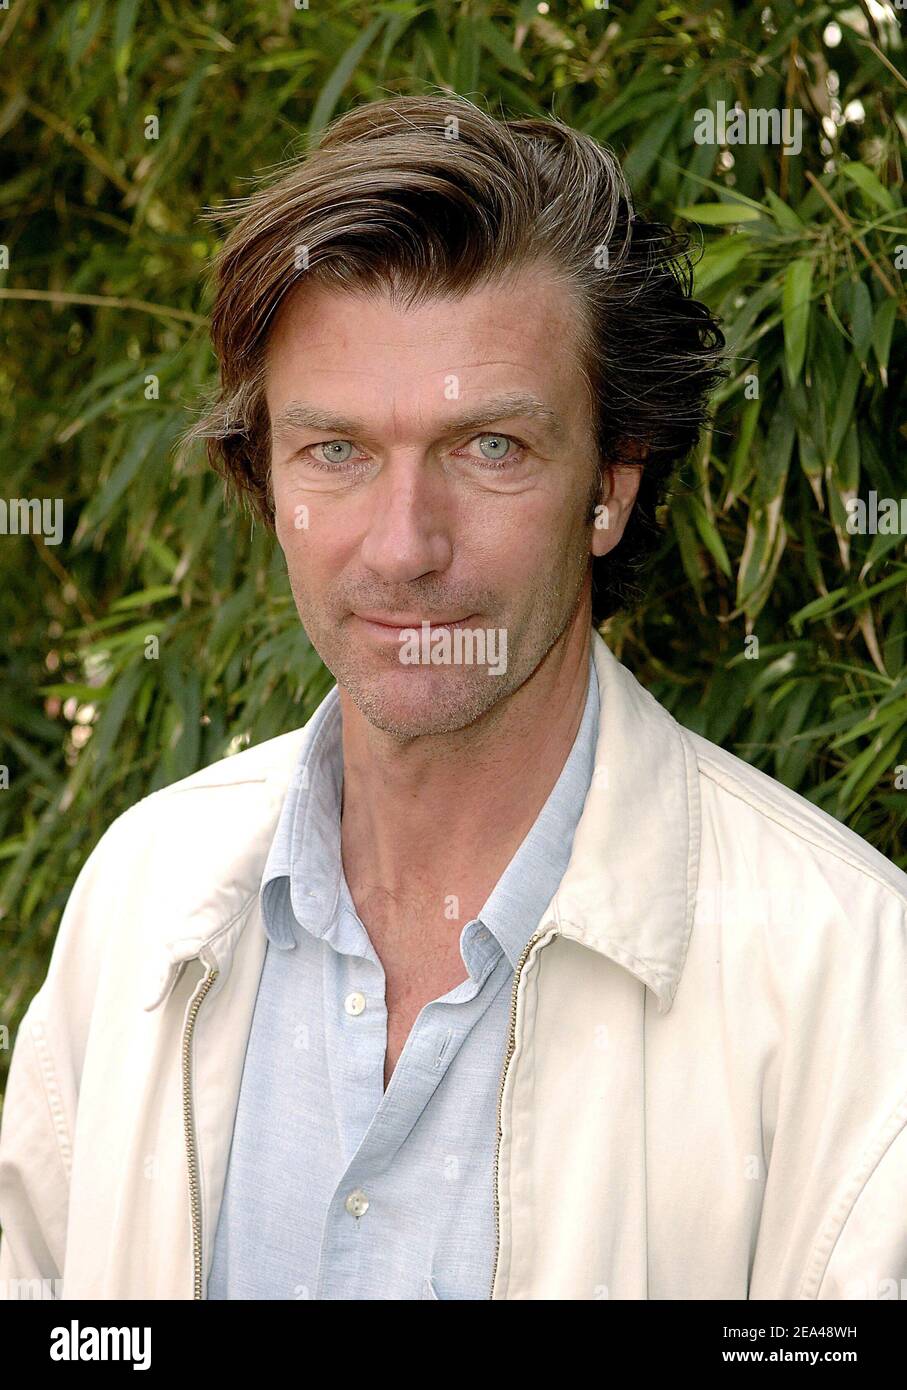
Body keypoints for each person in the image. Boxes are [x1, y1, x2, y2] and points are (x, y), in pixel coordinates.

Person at [1, 93, 905, 1302]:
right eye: (336, 450)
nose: (403, 546)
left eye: (490, 448)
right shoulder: (141, 896)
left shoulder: (852, 983)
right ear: (266, 480)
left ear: (611, 486)